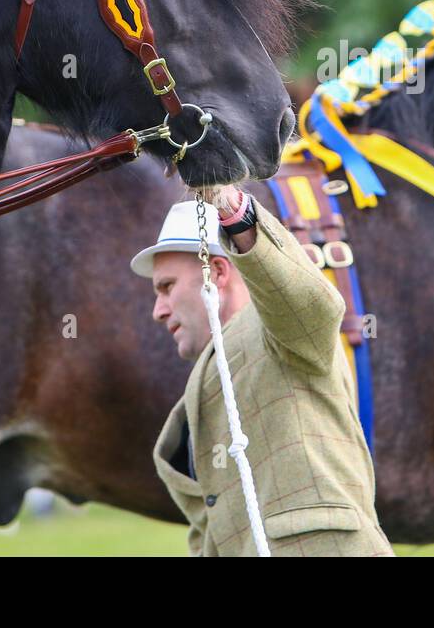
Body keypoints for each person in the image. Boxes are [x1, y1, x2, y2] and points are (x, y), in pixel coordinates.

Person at [132, 191, 392, 557]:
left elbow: (311, 303)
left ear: (217, 273)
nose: (158, 310)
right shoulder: (209, 372)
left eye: (167, 287)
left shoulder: (282, 328)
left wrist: (232, 210)